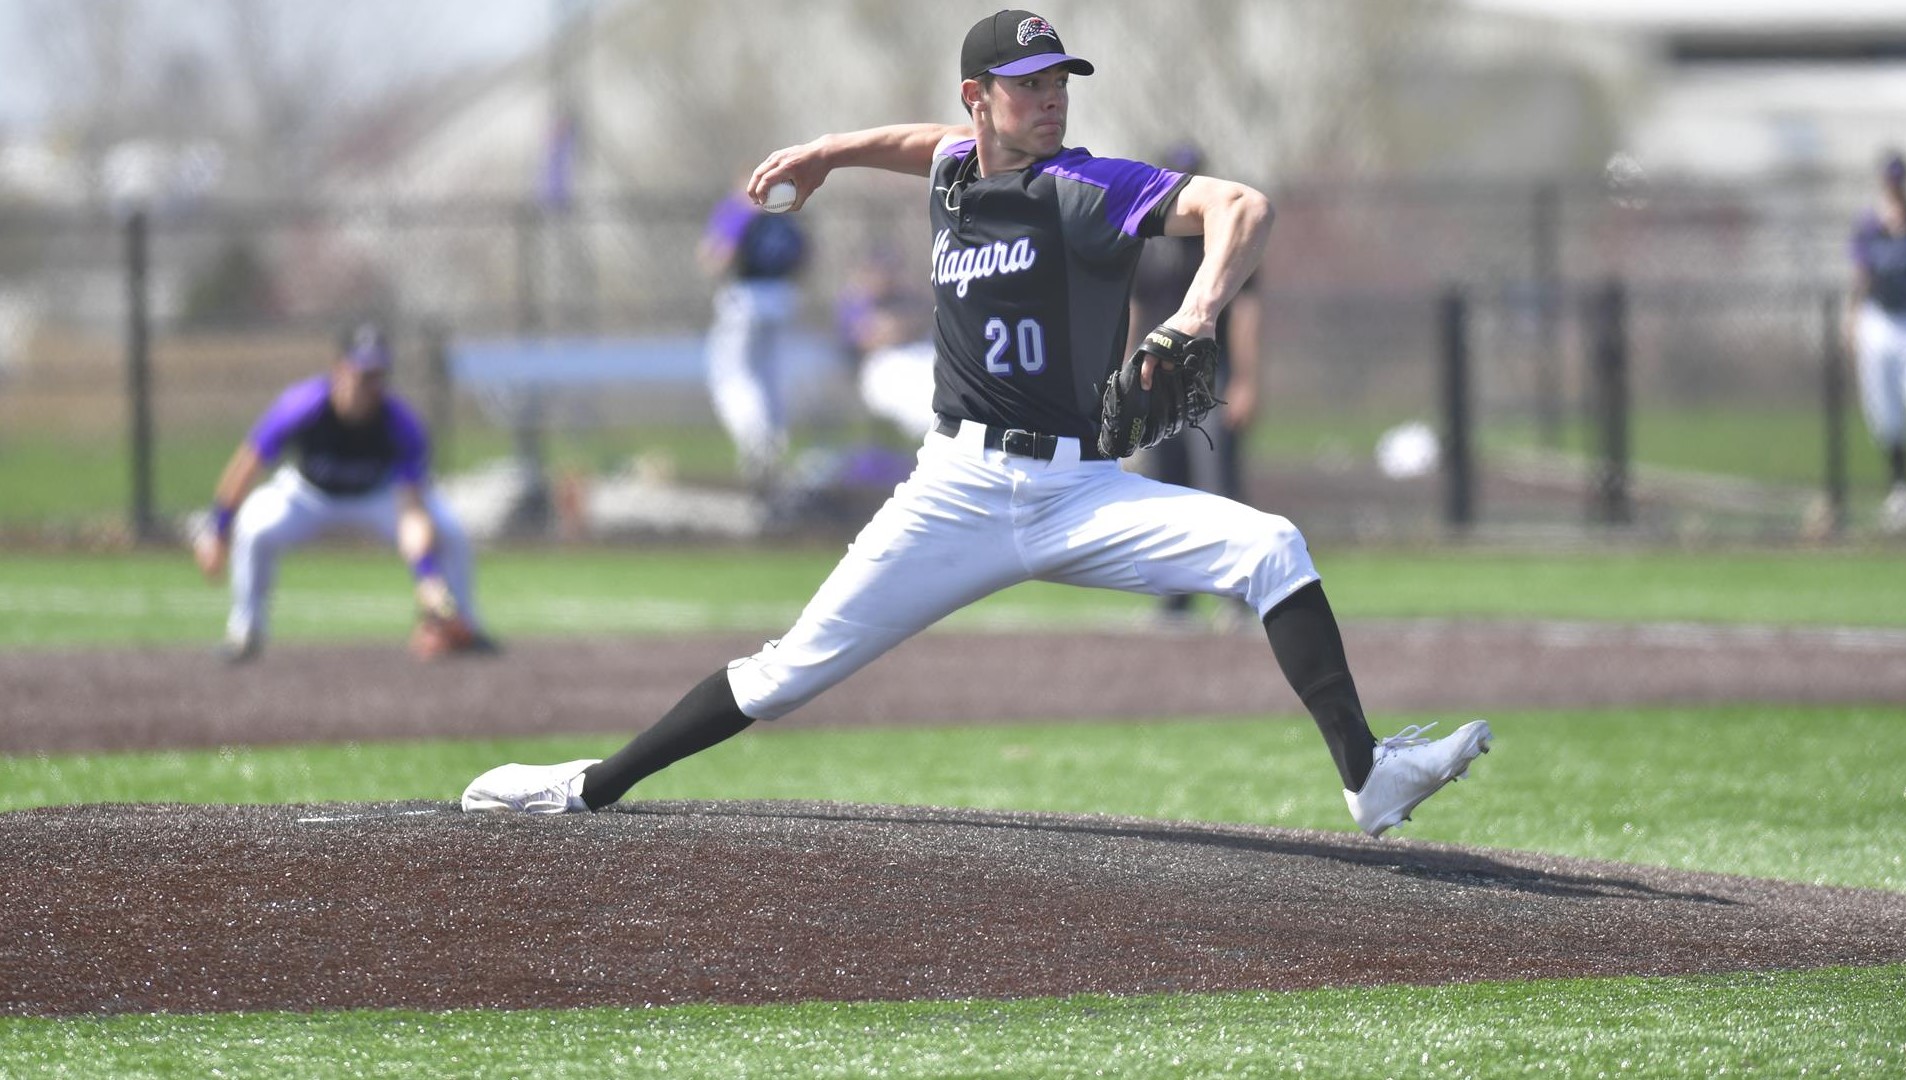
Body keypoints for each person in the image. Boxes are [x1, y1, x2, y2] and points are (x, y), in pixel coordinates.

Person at [462, 9, 1490, 837]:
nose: (1049, 100)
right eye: (1027, 85)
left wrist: (1195, 310)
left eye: (1058, 82)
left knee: (1270, 546)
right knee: (782, 677)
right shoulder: (958, 169)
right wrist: (828, 151)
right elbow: (922, 145)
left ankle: (1368, 777)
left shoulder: (1089, 187)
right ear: (979, 99)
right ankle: (591, 788)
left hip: (1077, 489)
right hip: (950, 493)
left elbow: (1243, 207)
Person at [193, 325, 492, 662]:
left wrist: (426, 576)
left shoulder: (402, 424)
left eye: (377, 375)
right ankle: (245, 632)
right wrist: (217, 531)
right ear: (339, 369)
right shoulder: (303, 405)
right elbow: (248, 464)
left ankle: (458, 624)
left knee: (450, 530)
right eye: (362, 373)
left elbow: (411, 510)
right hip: (308, 496)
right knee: (256, 526)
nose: (369, 385)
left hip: (375, 498)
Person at [1129, 143, 1263, 626]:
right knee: (1167, 487)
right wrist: (1126, 375)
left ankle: (1237, 596)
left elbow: (1246, 313)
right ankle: (1176, 599)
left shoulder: (1223, 241)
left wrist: (1246, 381)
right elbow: (1136, 312)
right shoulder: (1149, 243)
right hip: (1159, 377)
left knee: (1220, 487)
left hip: (1210, 376)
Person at [699, 174, 811, 488]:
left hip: (747, 299)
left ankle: (758, 444)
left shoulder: (742, 214)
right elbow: (804, 258)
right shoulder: (787, 217)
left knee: (732, 376)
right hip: (782, 299)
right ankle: (773, 446)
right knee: (770, 378)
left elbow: (717, 259)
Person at [1848, 148, 1906, 532]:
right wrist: (1851, 318)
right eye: (1889, 180)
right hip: (1878, 322)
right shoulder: (1869, 224)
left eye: (1898, 179)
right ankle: (1901, 491)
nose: (1893, 186)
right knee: (1886, 412)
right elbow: (1861, 274)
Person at [837, 250, 939, 440]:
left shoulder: (908, 296)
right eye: (878, 271)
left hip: (914, 356)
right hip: (877, 366)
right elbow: (862, 341)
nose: (884, 277)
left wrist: (895, 327)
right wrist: (896, 329)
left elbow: (926, 319)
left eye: (889, 270)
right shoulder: (855, 300)